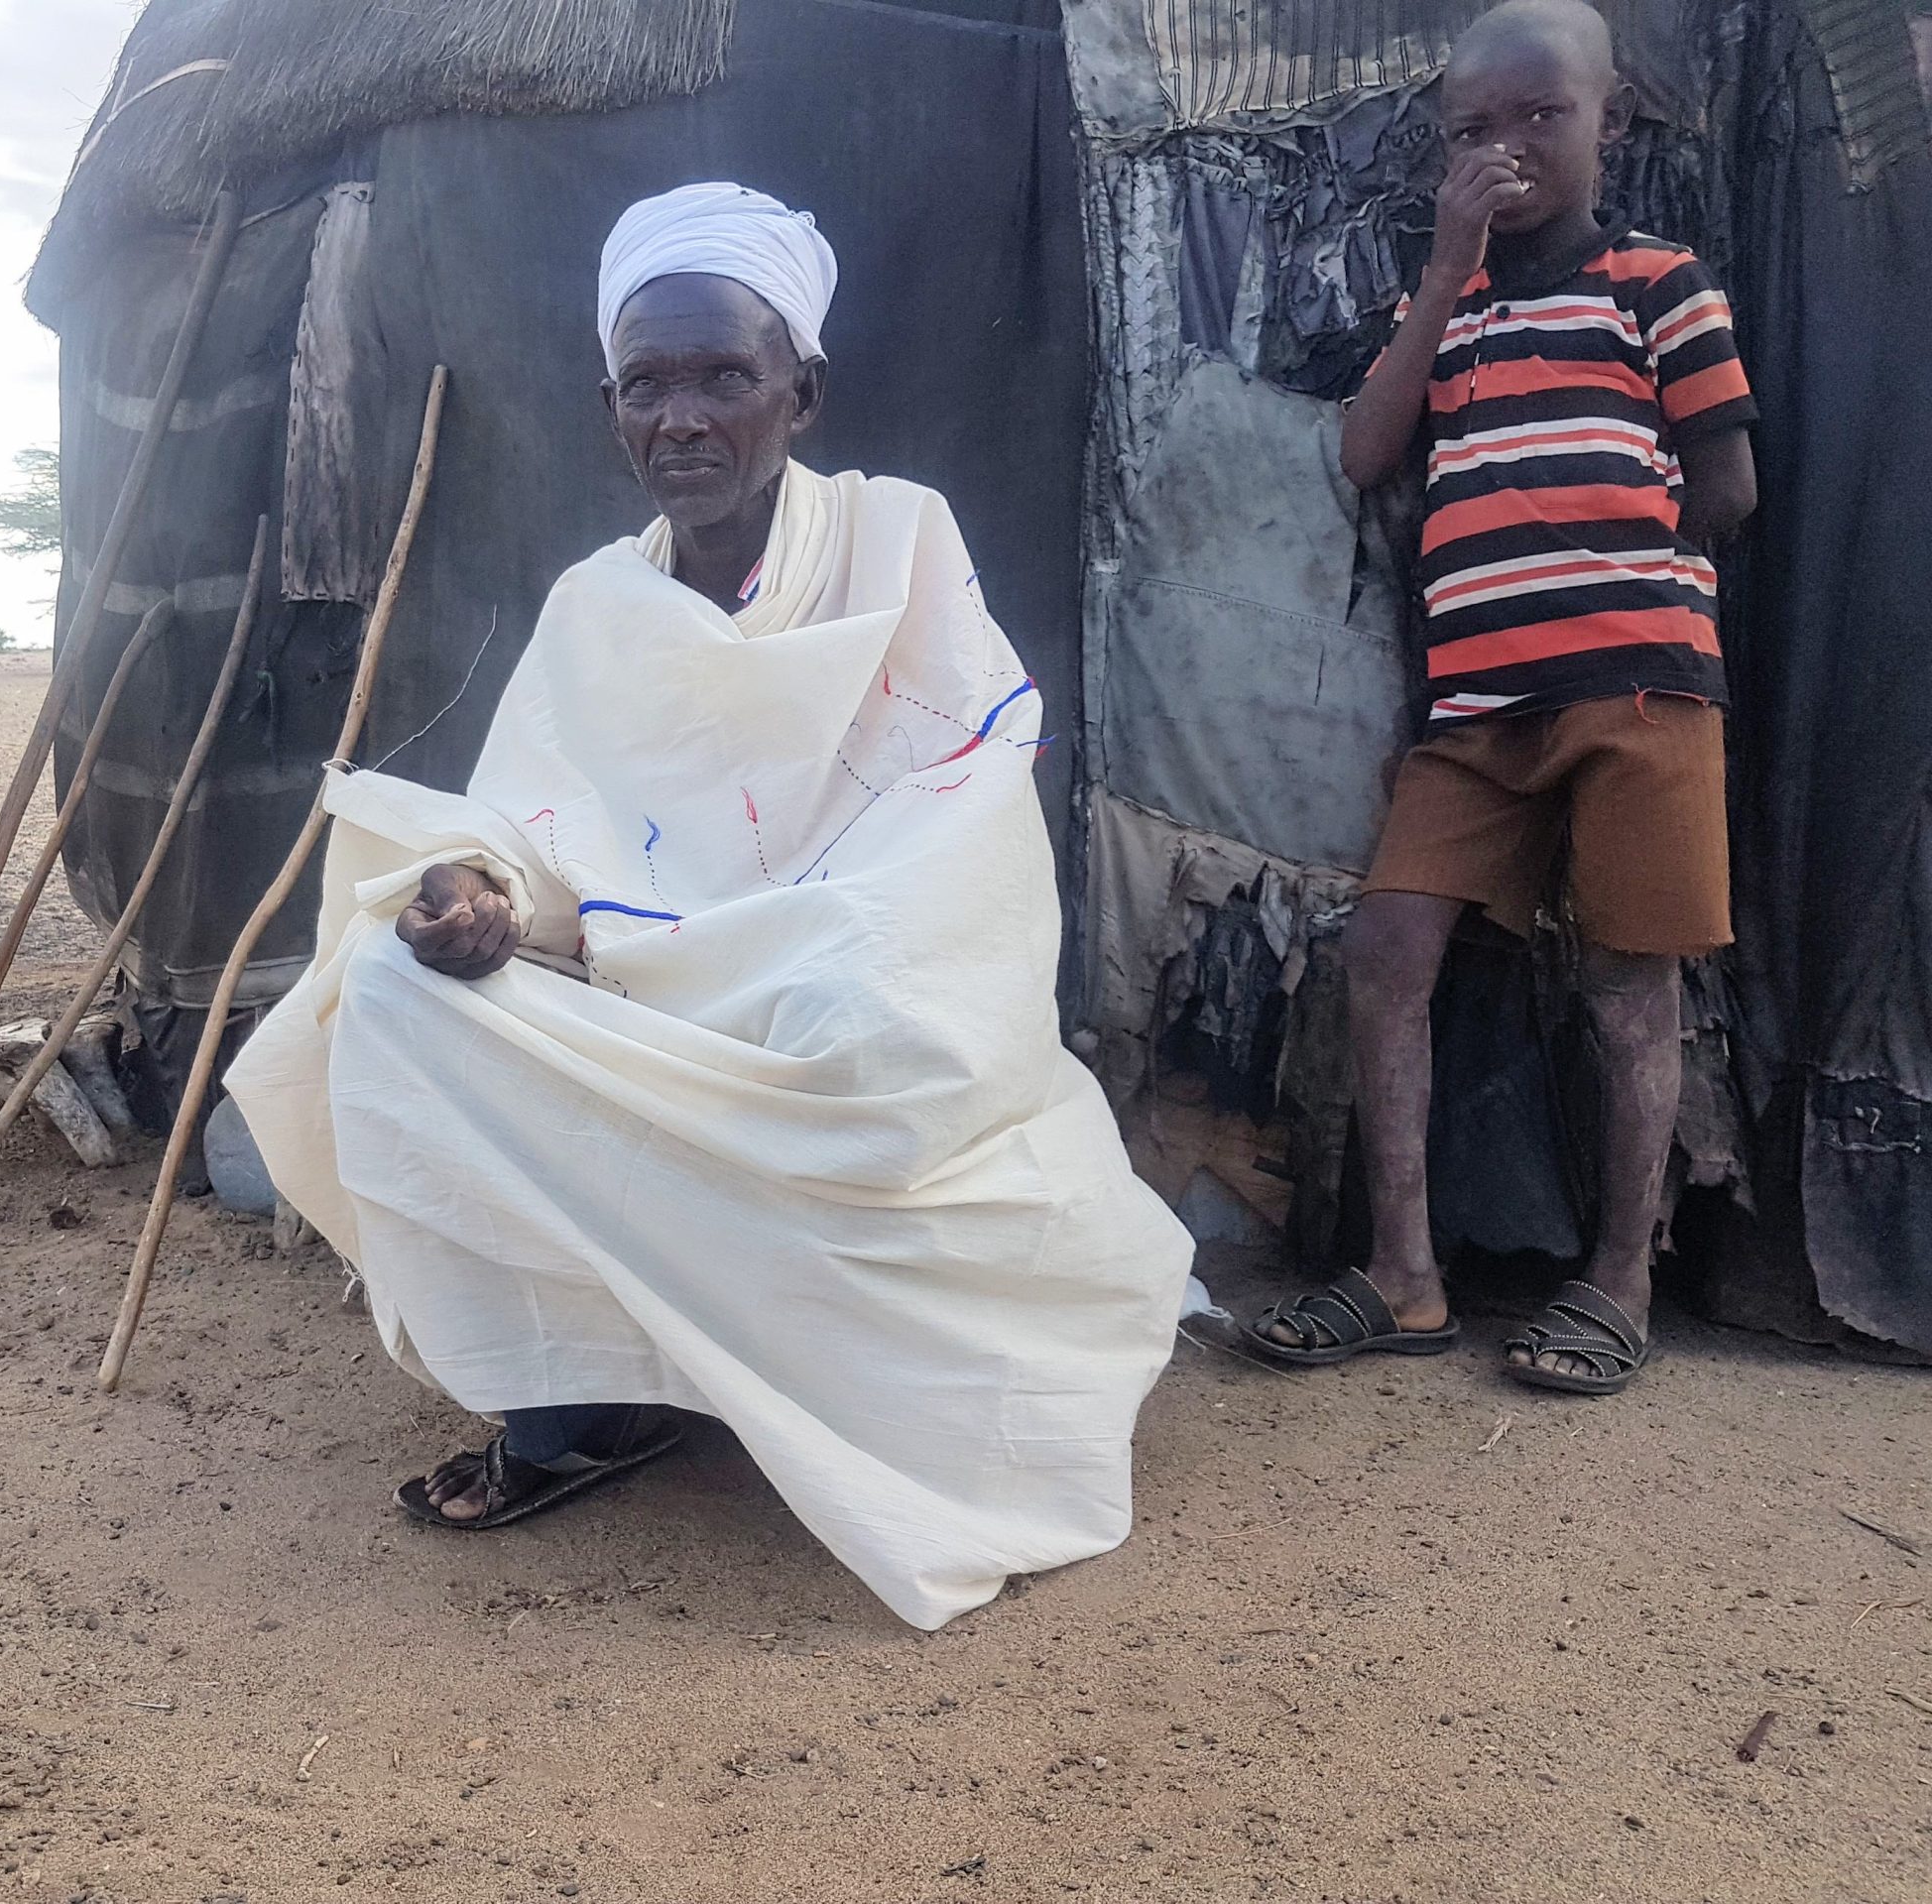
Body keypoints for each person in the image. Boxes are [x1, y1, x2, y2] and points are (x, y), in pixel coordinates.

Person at [225, 181, 1193, 1629]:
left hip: (846, 973)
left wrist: (800, 949)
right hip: (645, 991)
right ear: (609, 406)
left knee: (859, 1008)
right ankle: (587, 1404)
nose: (683, 416)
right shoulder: (592, 605)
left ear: (802, 390)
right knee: (393, 995)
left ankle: (840, 1390)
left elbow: (962, 803)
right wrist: (473, 899)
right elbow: (532, 833)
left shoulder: (898, 544)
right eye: (648, 384)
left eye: (724, 376)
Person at [1243, 0, 1758, 1393]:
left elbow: (1726, 487)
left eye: (1544, 115)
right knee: (1388, 951)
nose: (1510, 146)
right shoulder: (1450, 309)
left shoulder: (1663, 283)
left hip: (1638, 693)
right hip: (1473, 712)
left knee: (1628, 985)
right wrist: (1445, 272)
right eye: (1475, 129)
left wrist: (1617, 587)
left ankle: (1620, 1281)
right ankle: (1406, 1277)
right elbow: (1364, 452)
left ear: (1614, 123)